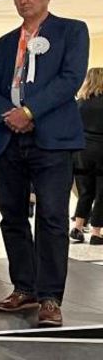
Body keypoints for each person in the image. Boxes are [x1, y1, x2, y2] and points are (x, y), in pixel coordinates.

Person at [0, 0, 89, 327]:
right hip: (10, 139)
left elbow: (70, 79)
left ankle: (50, 297)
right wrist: (8, 115)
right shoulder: (4, 43)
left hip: (52, 141)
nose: (22, 0)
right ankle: (23, 288)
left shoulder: (71, 31)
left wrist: (29, 111)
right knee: (12, 216)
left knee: (53, 218)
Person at [72, 67, 103, 244]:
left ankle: (77, 227)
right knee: (102, 192)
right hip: (101, 151)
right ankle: (96, 232)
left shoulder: (79, 103)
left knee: (85, 191)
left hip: (81, 152)